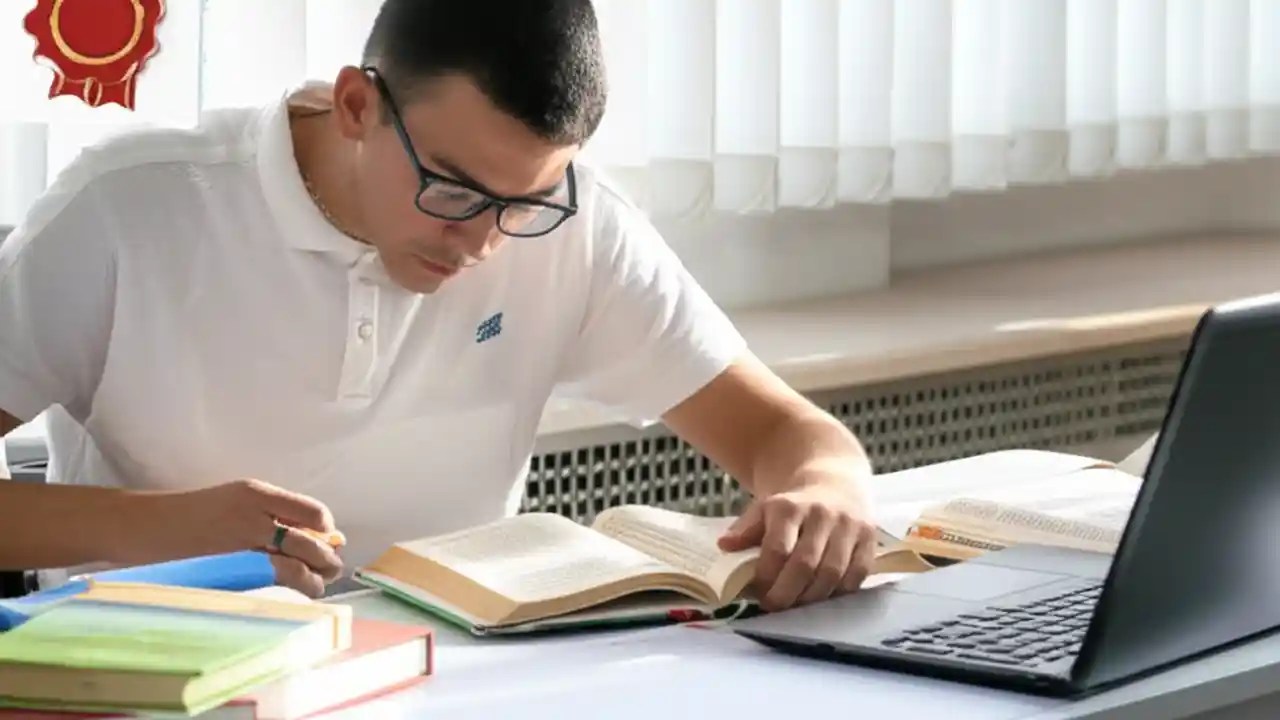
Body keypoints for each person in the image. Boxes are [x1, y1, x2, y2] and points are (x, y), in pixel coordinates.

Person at [0, 0, 878, 611]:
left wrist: (826, 492)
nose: (485, 241)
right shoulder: (126, 208)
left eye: (525, 202)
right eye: (453, 189)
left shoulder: (571, 224)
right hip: (149, 673)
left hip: (451, 674)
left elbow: (789, 436)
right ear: (356, 105)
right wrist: (172, 527)